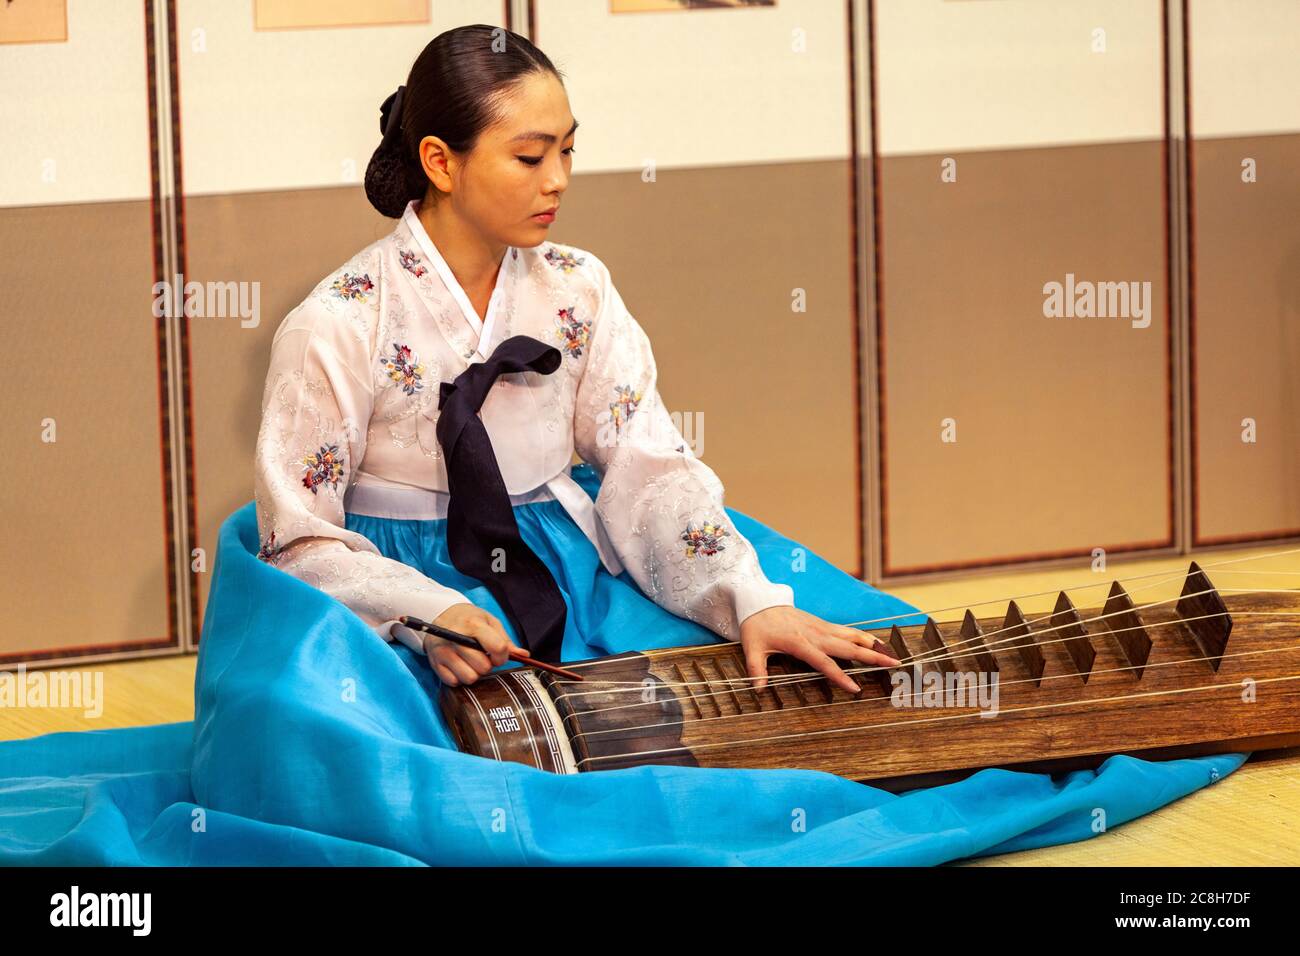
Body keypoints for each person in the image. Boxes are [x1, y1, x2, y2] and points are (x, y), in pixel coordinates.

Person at [253, 23, 900, 695]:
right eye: (530, 158)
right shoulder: (338, 320)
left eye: (567, 150)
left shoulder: (578, 287)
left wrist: (745, 597)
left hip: (567, 563)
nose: (559, 180)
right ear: (441, 162)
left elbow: (647, 467)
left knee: (752, 684)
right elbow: (301, 541)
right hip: (407, 587)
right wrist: (425, 613)